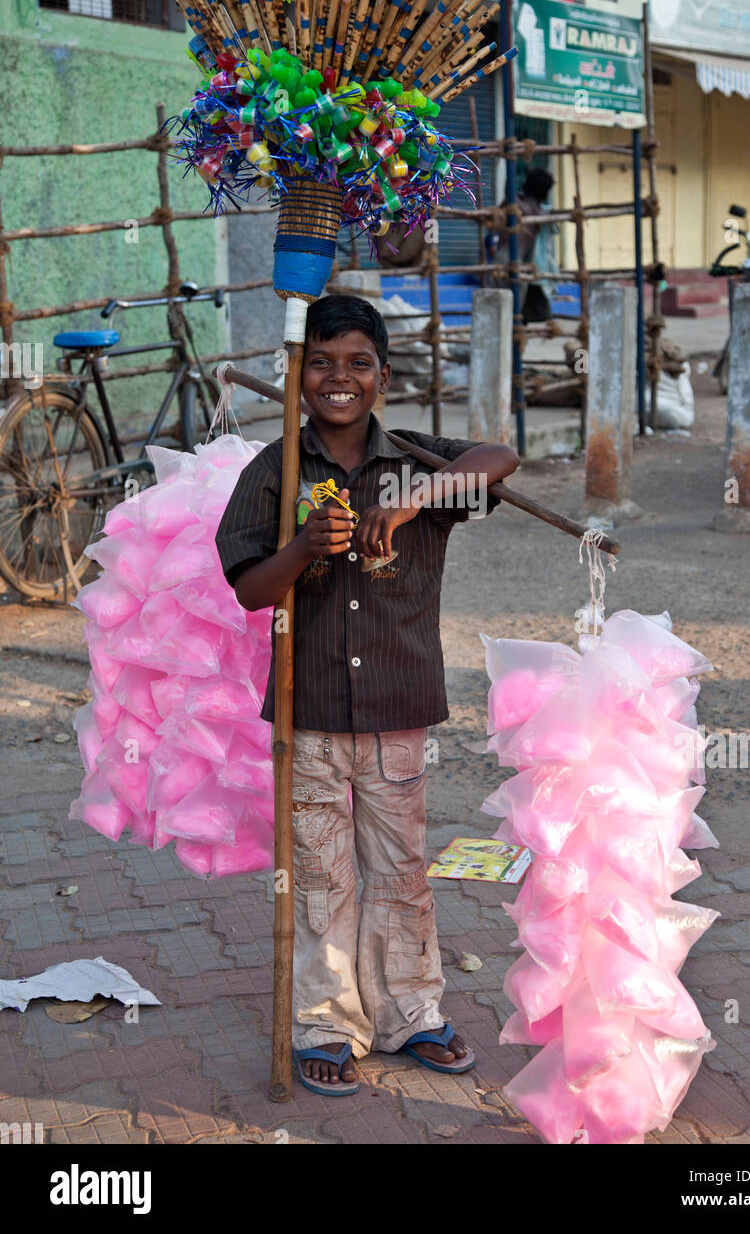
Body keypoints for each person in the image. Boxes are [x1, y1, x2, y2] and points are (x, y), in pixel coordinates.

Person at [214, 295, 519, 1095]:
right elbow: (249, 589)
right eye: (320, 362)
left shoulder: (418, 462)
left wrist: (418, 497)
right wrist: (304, 547)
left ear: (382, 377)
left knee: (401, 870)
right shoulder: (274, 469)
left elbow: (500, 456)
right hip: (308, 714)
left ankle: (410, 1014)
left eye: (356, 364)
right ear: (297, 374)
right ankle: (325, 1022)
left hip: (397, 710)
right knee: (321, 878)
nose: (337, 378)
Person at [490, 167, 559, 322]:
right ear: (544, 194)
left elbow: (496, 220)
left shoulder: (513, 203)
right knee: (514, 309)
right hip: (517, 261)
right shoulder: (540, 212)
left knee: (499, 306)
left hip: (503, 258)